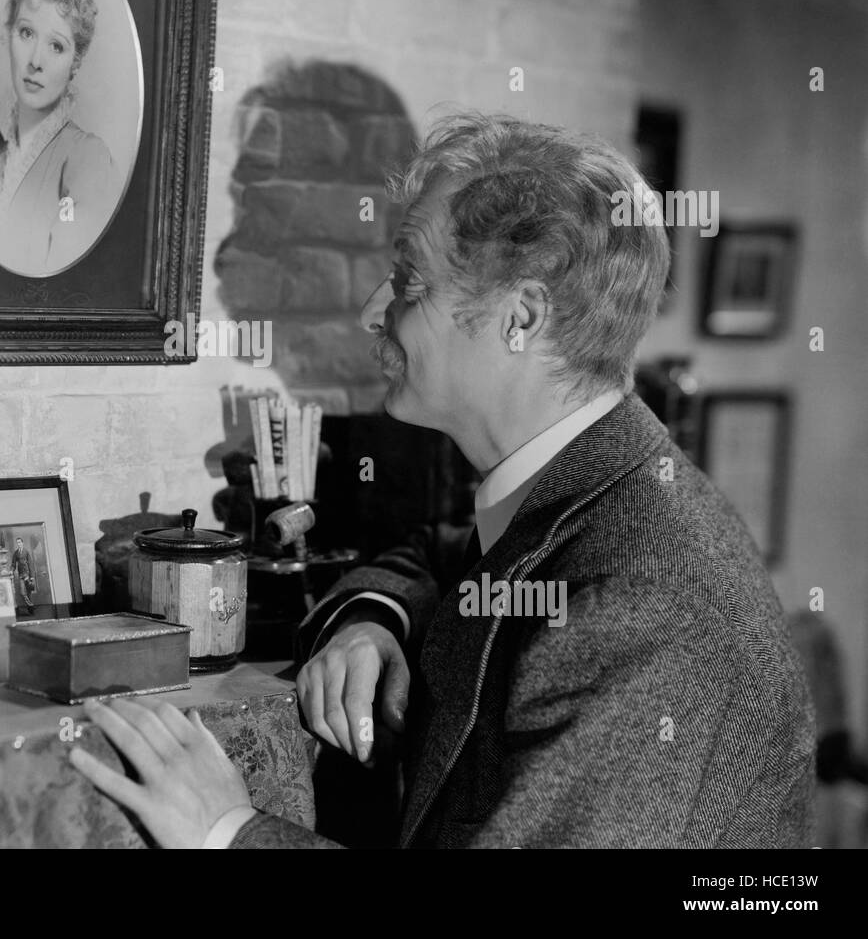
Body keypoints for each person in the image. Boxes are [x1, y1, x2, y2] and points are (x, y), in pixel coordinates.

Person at [69, 111, 817, 848]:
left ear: (521, 315)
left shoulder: (645, 609)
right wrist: (373, 620)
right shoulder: (579, 498)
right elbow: (440, 555)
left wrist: (227, 829)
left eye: (407, 280)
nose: (373, 313)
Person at [0, 0, 115, 277]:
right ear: (9, 32)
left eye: (56, 45)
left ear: (75, 61)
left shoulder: (87, 159)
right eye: (27, 33)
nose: (35, 61)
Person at [12, 537, 35, 608]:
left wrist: (32, 576)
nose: (18, 544)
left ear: (22, 543)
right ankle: (30, 605)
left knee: (29, 592)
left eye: (19, 542)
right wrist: (11, 570)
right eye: (17, 542)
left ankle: (31, 609)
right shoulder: (16, 553)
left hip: (27, 574)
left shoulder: (26, 551)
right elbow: (13, 564)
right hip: (21, 575)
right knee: (22, 593)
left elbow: (30, 564)